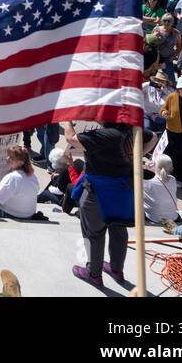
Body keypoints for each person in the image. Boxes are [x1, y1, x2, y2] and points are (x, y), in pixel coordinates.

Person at [64, 120, 147, 287]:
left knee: (94, 233)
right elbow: (153, 138)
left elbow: (71, 138)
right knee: (118, 228)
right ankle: (116, 270)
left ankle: (94, 273)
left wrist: (66, 119)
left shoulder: (105, 135)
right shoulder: (133, 131)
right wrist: (135, 156)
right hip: (121, 189)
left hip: (98, 191)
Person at [0, 145, 40, 219]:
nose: (7, 159)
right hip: (28, 215)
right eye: (8, 156)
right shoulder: (33, 176)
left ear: (21, 162)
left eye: (12, 158)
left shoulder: (13, 177)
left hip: (11, 214)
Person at [142, 155, 181, 226]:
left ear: (155, 166)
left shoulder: (147, 181)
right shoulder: (173, 179)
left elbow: (135, 171)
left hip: (153, 217)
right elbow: (159, 174)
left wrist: (146, 167)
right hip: (173, 217)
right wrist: (152, 168)